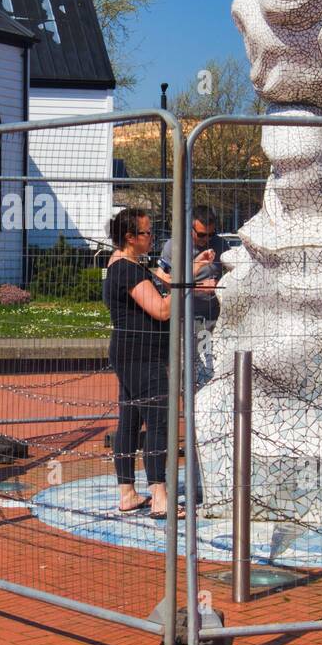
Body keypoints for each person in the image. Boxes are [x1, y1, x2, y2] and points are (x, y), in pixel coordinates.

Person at [102, 207, 180, 519]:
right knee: (157, 420)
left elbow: (159, 278)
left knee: (130, 421)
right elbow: (161, 310)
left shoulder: (125, 264)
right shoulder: (128, 270)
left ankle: (128, 493)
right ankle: (159, 496)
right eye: (147, 233)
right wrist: (180, 289)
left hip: (130, 352)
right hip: (141, 355)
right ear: (130, 237)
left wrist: (191, 269)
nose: (152, 237)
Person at [156, 205, 221, 387]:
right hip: (184, 319)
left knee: (211, 366)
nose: (206, 239)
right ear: (189, 228)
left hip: (212, 318)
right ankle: (188, 408)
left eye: (210, 234)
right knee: (187, 367)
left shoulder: (221, 245)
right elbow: (164, 279)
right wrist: (200, 287)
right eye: (201, 235)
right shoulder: (174, 246)